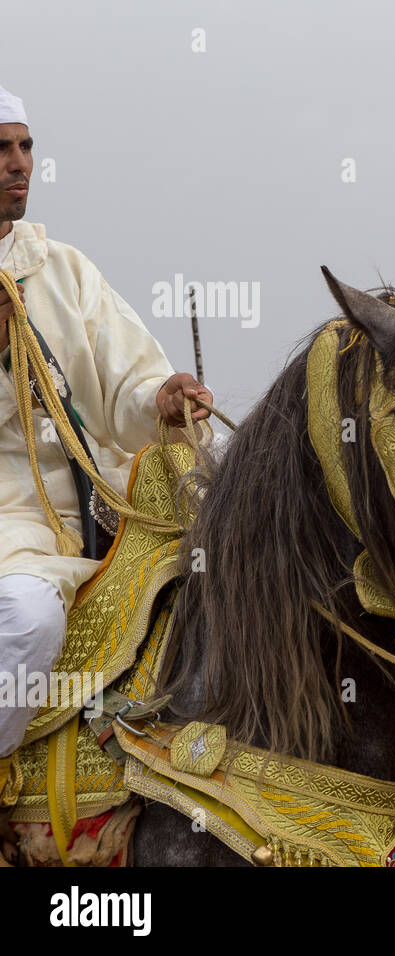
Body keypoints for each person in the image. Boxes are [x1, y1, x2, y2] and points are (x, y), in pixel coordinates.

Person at [0, 86, 211, 792]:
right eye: (2, 148)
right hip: (8, 522)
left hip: (97, 509)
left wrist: (163, 398)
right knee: (29, 620)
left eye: (25, 146)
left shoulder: (62, 269)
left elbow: (122, 382)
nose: (19, 163)